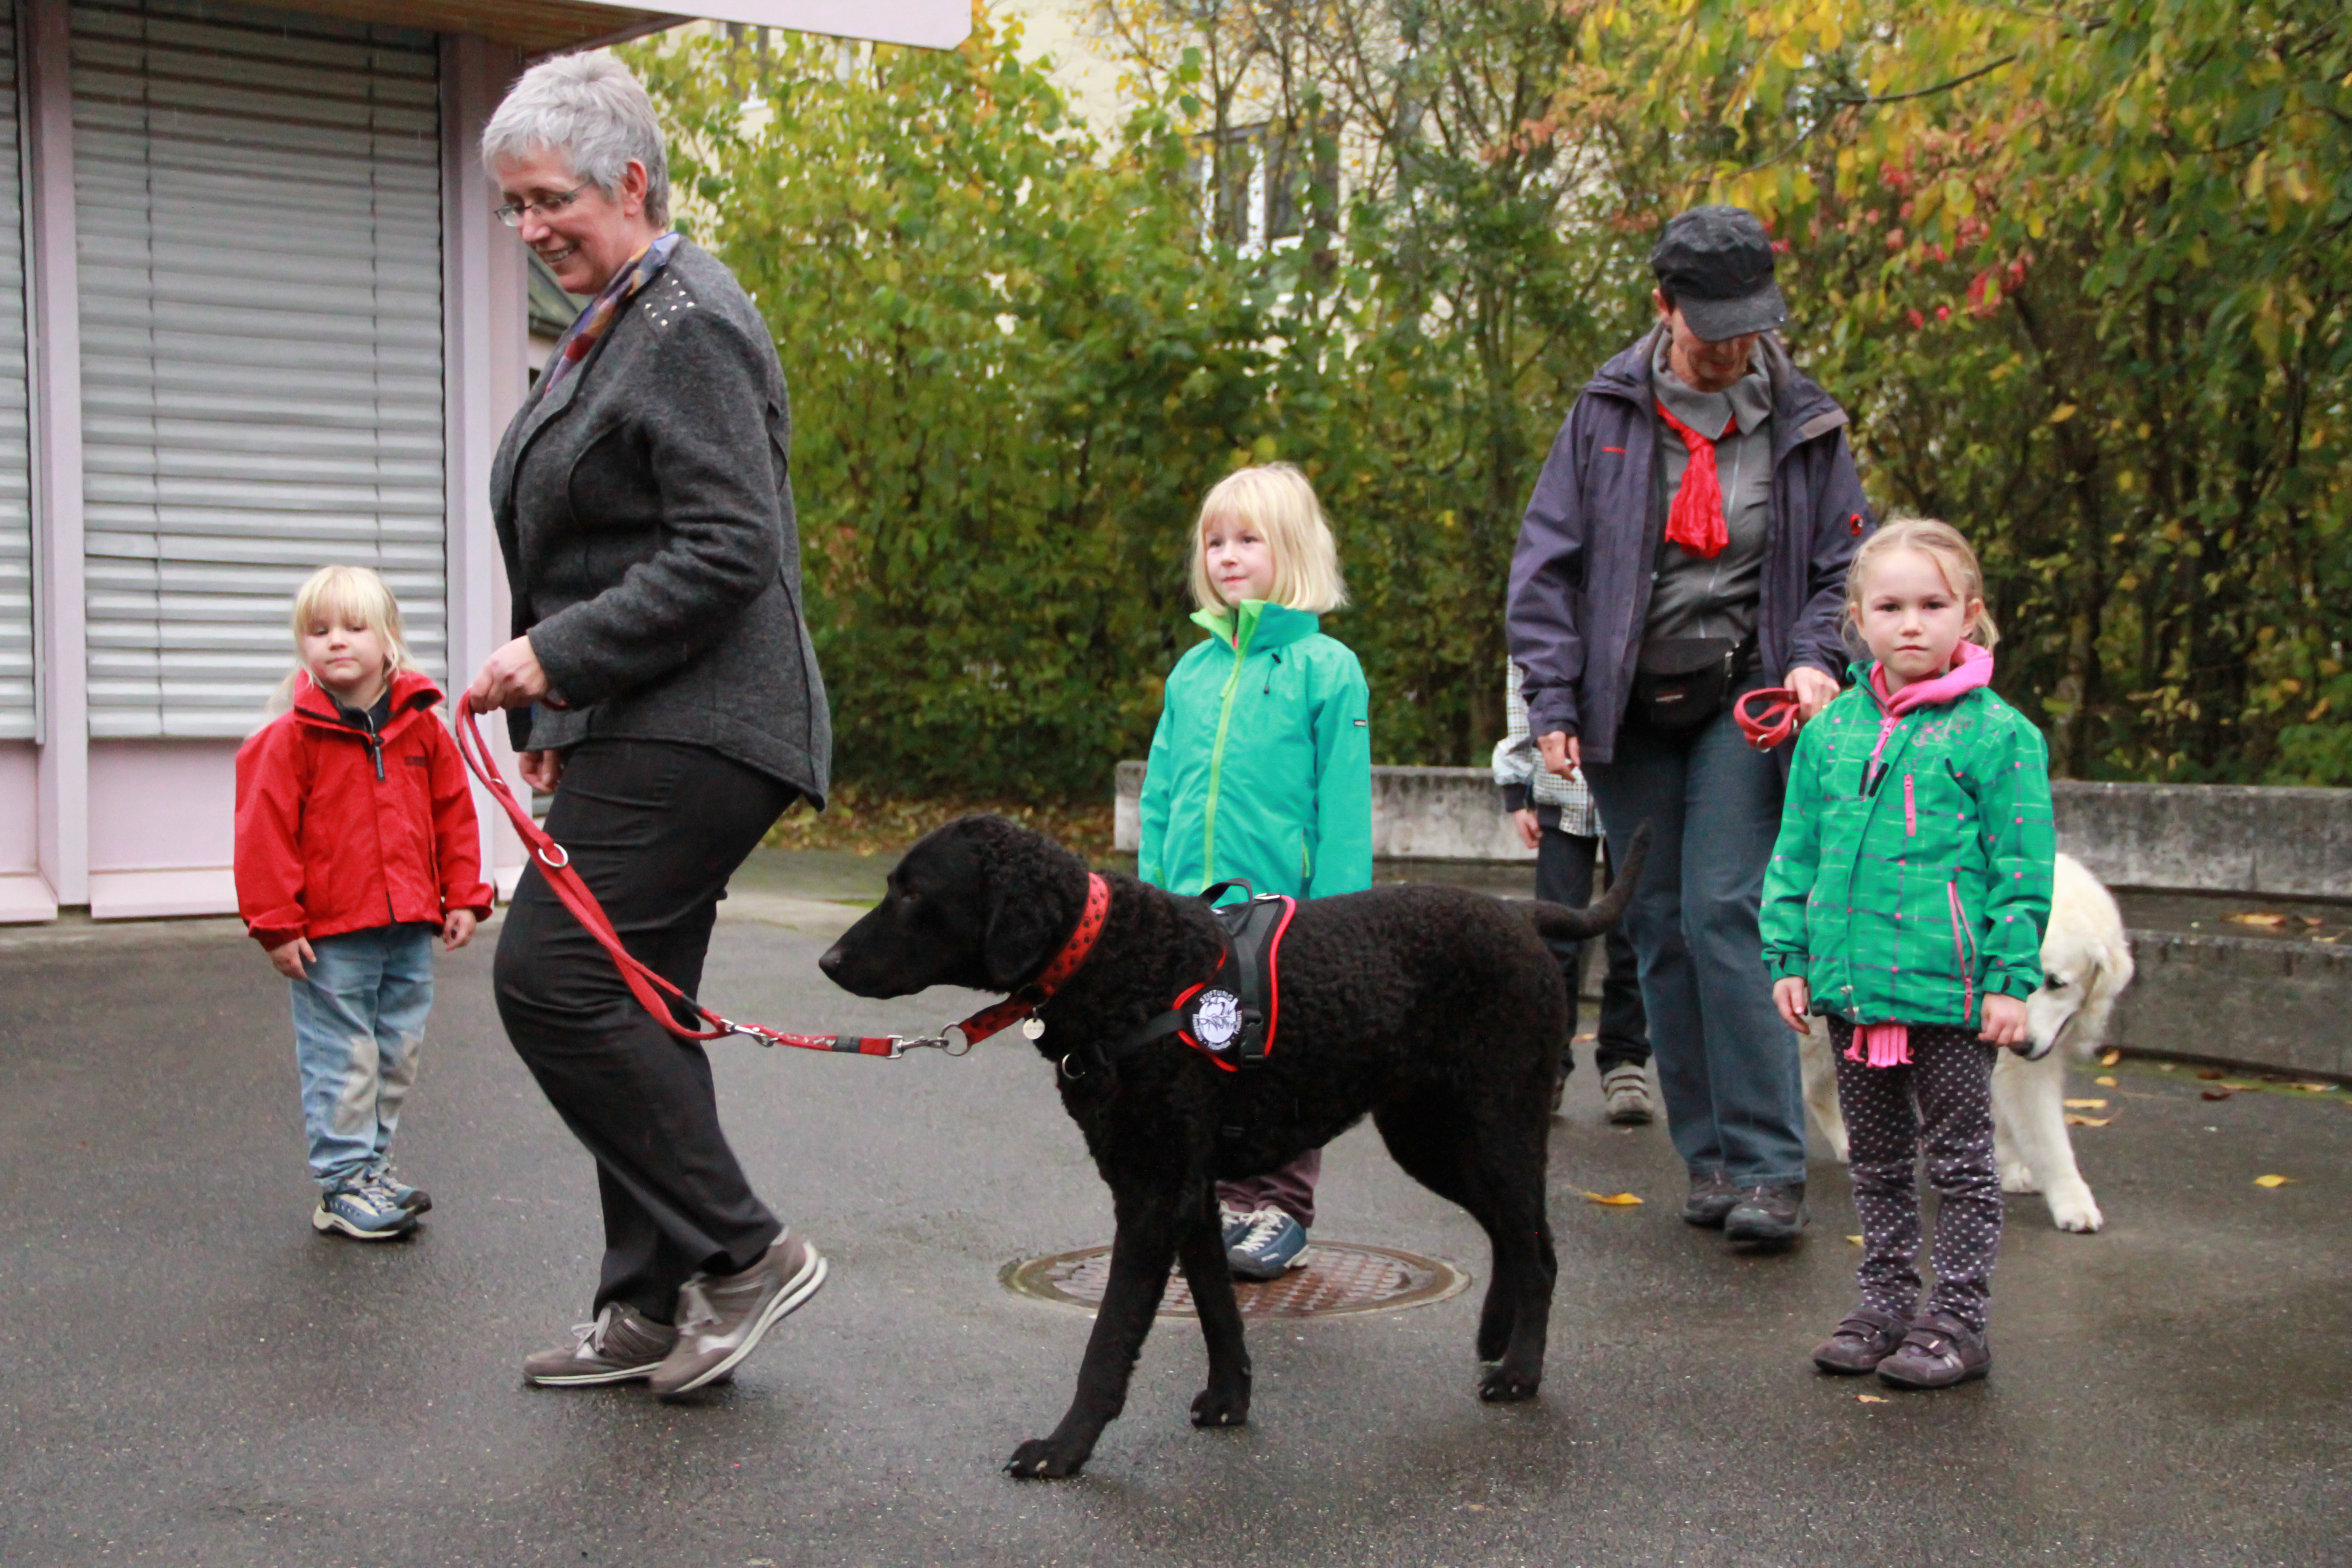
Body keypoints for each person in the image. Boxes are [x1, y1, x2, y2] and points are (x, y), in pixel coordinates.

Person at [467, 54, 833, 1400]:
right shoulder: (617, 320)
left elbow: (728, 549)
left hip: (711, 722)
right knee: (633, 1005)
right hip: (643, 717)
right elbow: (597, 537)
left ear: (630, 181)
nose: (529, 228)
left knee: (553, 980)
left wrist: (554, 657)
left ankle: (743, 1254)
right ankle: (645, 1298)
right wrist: (562, 706)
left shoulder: (686, 322)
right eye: (512, 207)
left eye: (548, 199)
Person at [1508, 203, 1872, 1245]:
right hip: (1627, 704)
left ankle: (1768, 1167)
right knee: (1656, 921)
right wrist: (1552, 701)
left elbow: (1844, 561)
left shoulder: (1805, 419)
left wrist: (1815, 656)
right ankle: (1707, 1158)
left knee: (1725, 909)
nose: (1731, 349)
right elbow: (1546, 568)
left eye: (1748, 327)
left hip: (1743, 696)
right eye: (1711, 329)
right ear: (1662, 306)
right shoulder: (1605, 412)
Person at [1762, 518, 2054, 1388]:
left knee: (1958, 1162)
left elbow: (2020, 869)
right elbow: (1795, 852)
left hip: (1949, 993)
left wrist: (2008, 981)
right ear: (1857, 619)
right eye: (1889, 607)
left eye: (1932, 605)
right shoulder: (1829, 734)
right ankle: (1884, 1303)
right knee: (1876, 1159)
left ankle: (1957, 1319)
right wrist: (1788, 955)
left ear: (1969, 613)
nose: (1911, 624)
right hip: (1853, 991)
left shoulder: (1998, 736)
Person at [1137, 463, 1372, 1279]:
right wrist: (1152, 903)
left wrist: (1338, 925)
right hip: (1194, 911)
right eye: (1214, 542)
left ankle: (1280, 1206)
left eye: (1248, 539)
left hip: (1286, 917)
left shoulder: (1327, 669)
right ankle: (1222, 1199)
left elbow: (1343, 807)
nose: (1227, 556)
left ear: (1292, 550)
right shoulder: (1190, 673)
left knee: (1281, 1058)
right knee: (1205, 1052)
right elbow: (1161, 796)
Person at [234, 565, 492, 1242]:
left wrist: (464, 894)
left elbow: (453, 813)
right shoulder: (289, 736)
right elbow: (263, 834)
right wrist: (276, 924)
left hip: (407, 926)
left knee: (395, 1054)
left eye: (354, 627)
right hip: (332, 935)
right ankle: (343, 1182)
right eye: (318, 631)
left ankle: (373, 1167)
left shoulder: (422, 729)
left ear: (389, 640)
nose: (336, 641)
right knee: (342, 1057)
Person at [1493, 659, 1652, 1124]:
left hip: (1636, 789)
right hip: (1561, 796)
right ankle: (1548, 1065)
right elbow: (1523, 689)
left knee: (1634, 931)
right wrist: (1516, 790)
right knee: (1553, 940)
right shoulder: (1544, 617)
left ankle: (1625, 1060)